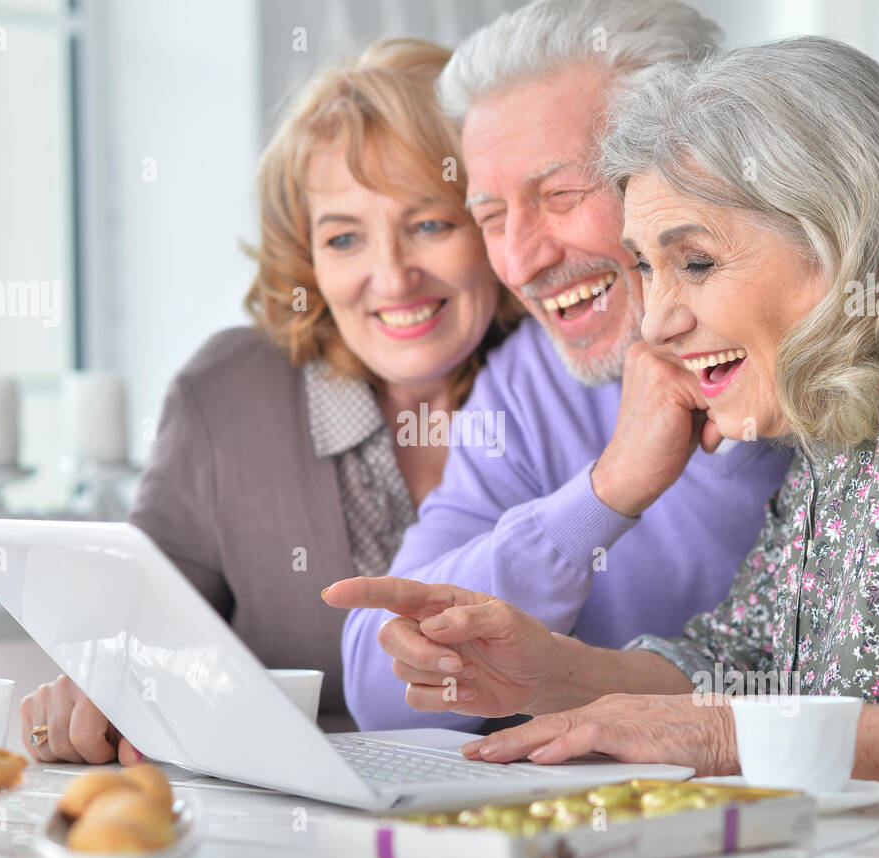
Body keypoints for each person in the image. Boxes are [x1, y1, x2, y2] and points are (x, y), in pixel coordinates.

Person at [325, 36, 879, 858]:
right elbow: (752, 662)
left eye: (695, 261)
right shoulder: (831, 398)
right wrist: (554, 672)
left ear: (841, 230)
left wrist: (725, 734)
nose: (655, 322)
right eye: (647, 269)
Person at [18, 38, 518, 762]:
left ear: (495, 223)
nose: (392, 276)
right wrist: (87, 694)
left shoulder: (567, 381)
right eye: (344, 237)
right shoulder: (227, 397)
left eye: (430, 223)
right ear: (307, 258)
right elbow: (132, 646)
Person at [337, 0, 794, 730]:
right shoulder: (526, 385)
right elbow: (380, 684)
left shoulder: (849, 351)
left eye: (561, 196)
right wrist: (603, 495)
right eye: (490, 216)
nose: (520, 260)